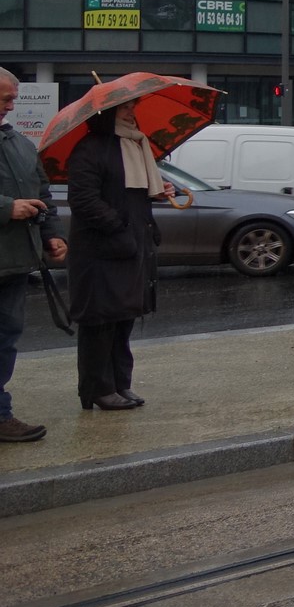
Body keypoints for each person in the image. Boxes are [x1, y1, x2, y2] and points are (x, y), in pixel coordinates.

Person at [63, 104, 173, 412]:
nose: (131, 113)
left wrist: (157, 190)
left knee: (123, 319)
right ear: (105, 115)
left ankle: (120, 382)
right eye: (123, 109)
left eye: (132, 107)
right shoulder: (90, 149)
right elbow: (84, 200)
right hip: (101, 252)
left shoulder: (135, 145)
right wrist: (119, 228)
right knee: (100, 322)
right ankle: (98, 389)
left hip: (131, 249)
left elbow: (131, 193)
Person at [0, 68, 65, 442]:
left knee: (5, 340)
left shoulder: (21, 144)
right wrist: (7, 207)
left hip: (14, 262)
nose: (11, 105)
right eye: (4, 98)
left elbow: (43, 193)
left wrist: (51, 236)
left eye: (12, 98)